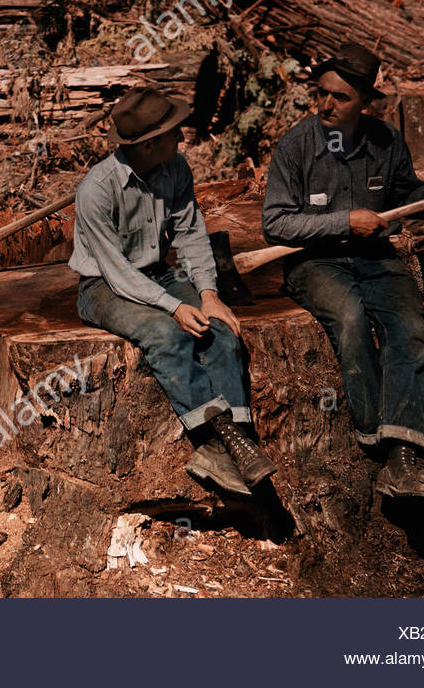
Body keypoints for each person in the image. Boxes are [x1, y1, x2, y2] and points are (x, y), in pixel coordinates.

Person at [262, 43, 424, 500]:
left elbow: (407, 196)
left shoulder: (386, 141)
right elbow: (275, 223)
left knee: (410, 327)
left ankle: (404, 452)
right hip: (313, 260)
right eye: (321, 93)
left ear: (363, 102)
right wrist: (344, 221)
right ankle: (373, 436)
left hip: (375, 256)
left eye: (340, 97)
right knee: (351, 318)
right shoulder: (297, 145)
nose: (326, 104)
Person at [72, 87, 275, 497]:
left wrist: (208, 293)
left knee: (219, 328)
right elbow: (117, 273)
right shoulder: (96, 189)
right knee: (166, 335)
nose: (181, 137)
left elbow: (191, 234)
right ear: (149, 144)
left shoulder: (175, 167)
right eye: (173, 132)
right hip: (104, 286)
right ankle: (225, 439)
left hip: (157, 274)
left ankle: (229, 447)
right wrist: (175, 306)